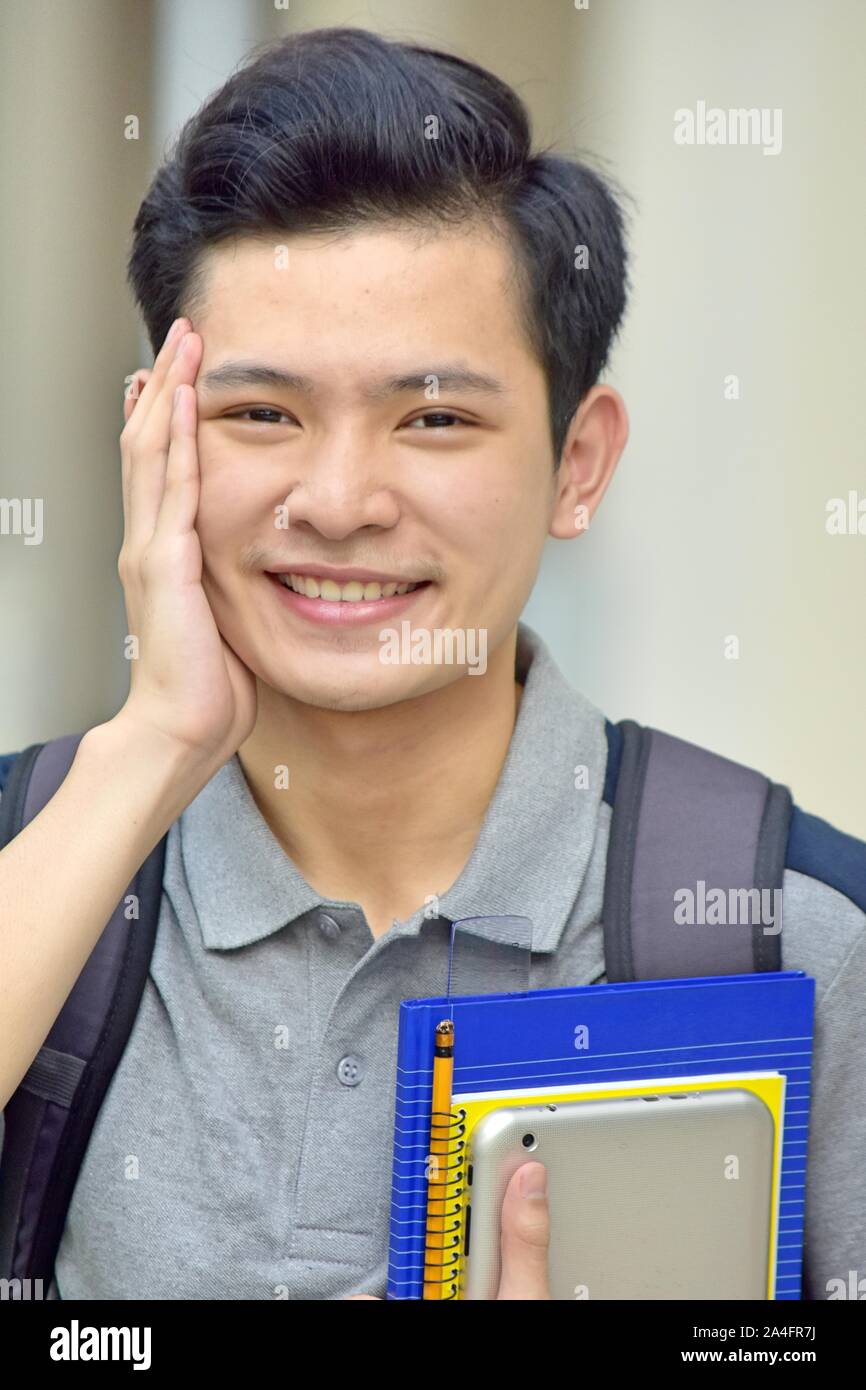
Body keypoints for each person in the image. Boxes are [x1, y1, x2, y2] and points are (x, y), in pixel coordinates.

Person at [0, 27, 863, 1302]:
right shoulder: (39, 869)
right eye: (260, 414)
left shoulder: (794, 935)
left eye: (435, 418)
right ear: (155, 436)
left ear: (578, 461)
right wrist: (155, 739)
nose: (340, 500)